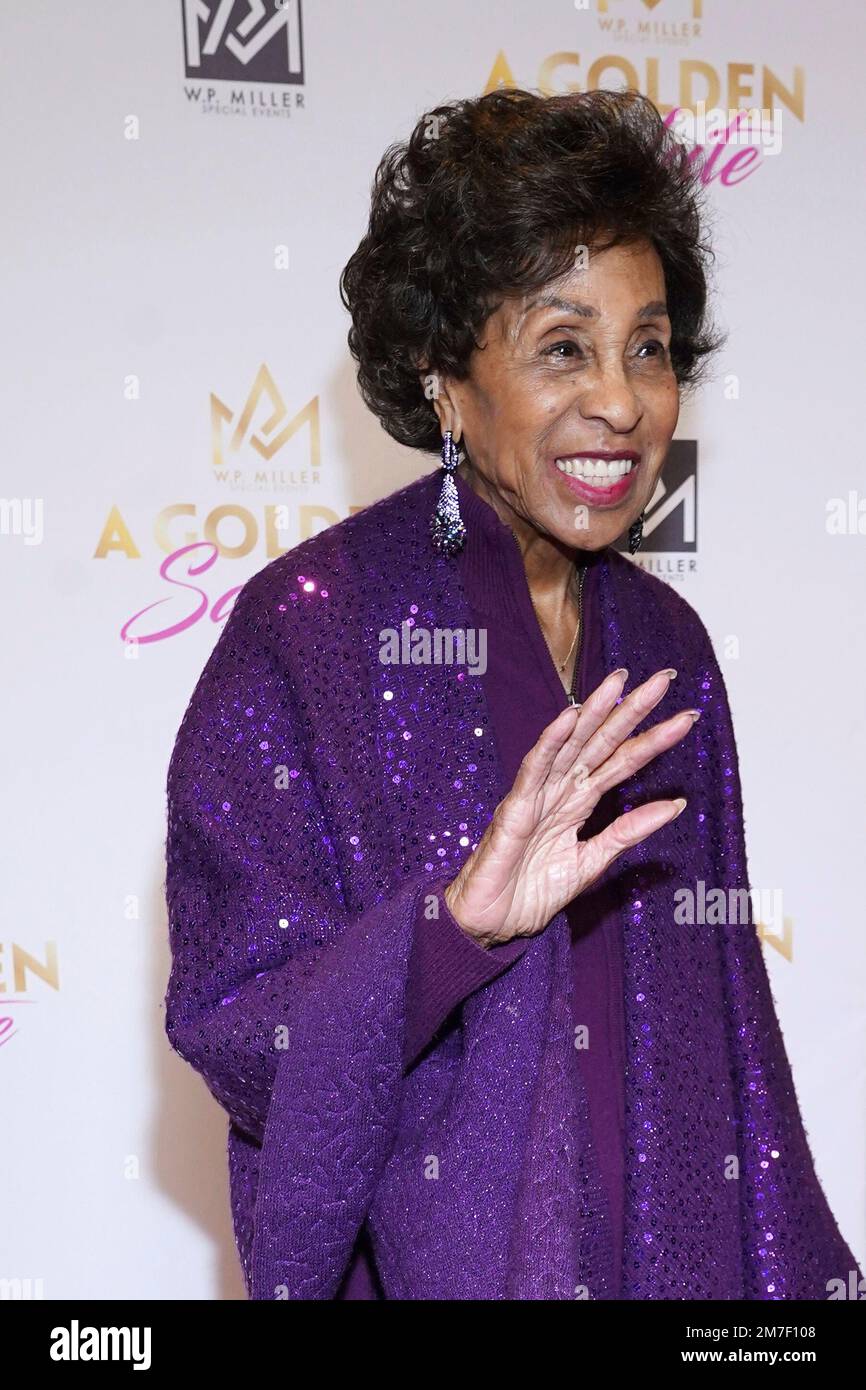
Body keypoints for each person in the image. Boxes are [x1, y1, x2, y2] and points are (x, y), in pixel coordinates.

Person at [164, 87, 860, 1300]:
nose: (621, 400)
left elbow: (726, 1044)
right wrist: (448, 932)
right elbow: (238, 1027)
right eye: (560, 346)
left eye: (646, 346)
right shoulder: (308, 634)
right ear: (445, 380)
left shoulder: (665, 646)